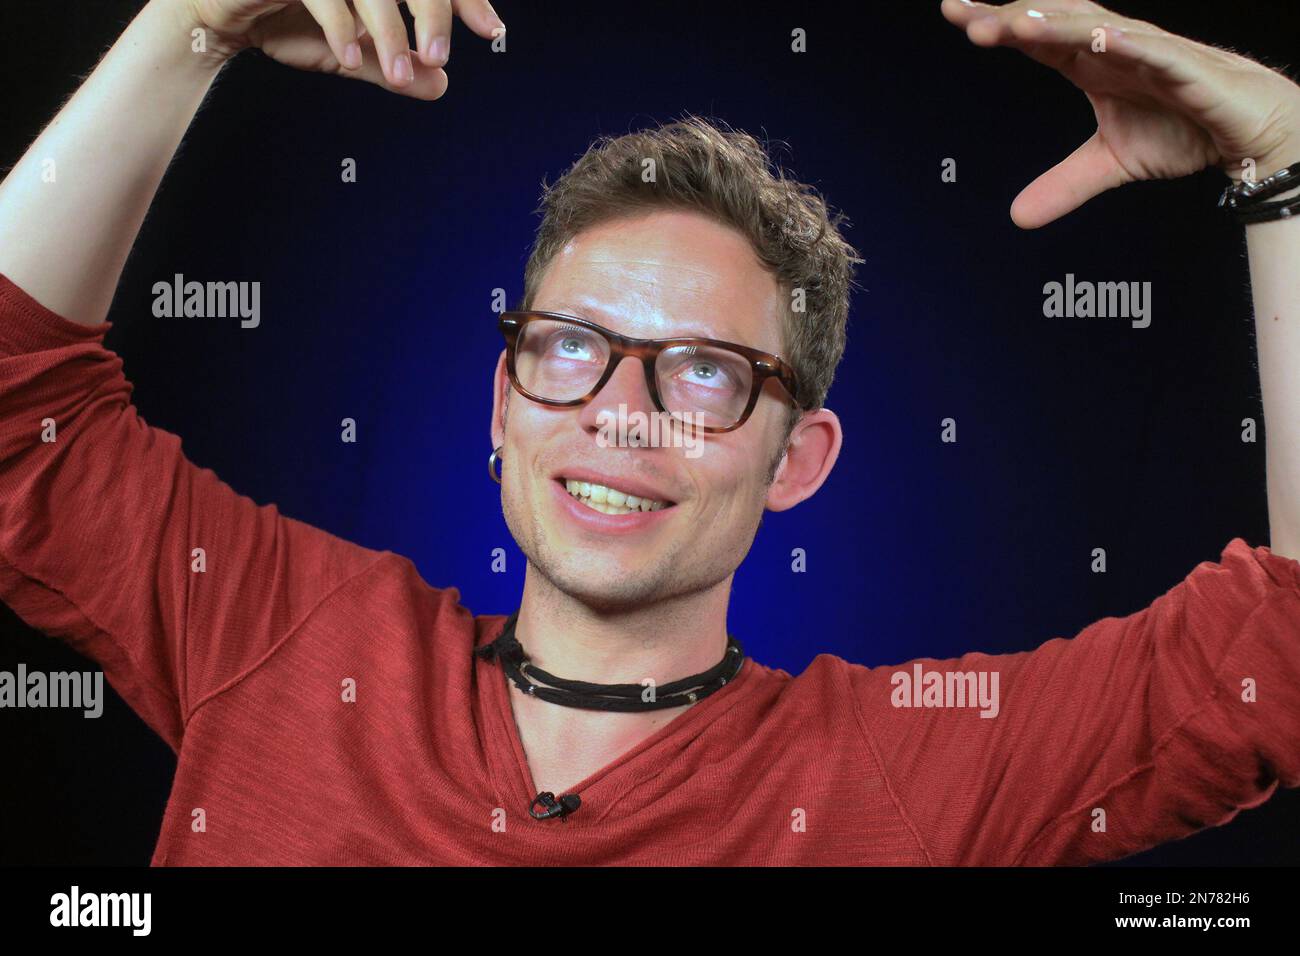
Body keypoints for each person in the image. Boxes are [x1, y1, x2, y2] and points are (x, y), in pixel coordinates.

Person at [1, 0, 1298, 865]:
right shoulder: (284, 638)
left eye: (701, 372)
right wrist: (186, 28)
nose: (620, 412)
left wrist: (1285, 160)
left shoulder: (906, 774)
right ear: (503, 404)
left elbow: (1277, 662)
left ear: (797, 458)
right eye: (569, 349)